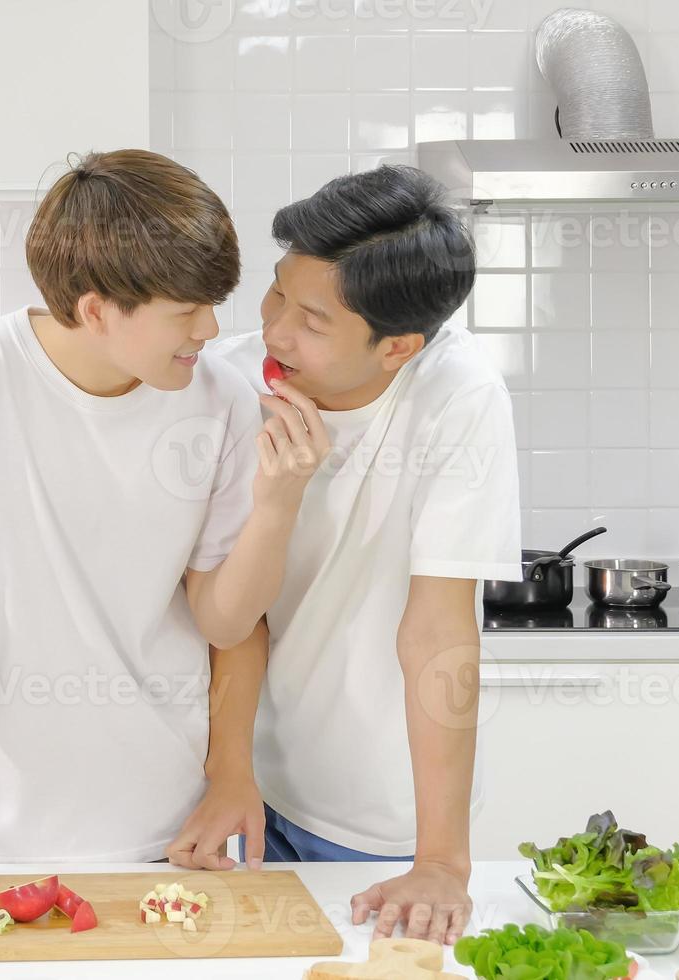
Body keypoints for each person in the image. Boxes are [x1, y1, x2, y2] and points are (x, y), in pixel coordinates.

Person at [0, 149, 330, 909]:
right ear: (95, 309)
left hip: (174, 835)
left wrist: (232, 773)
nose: (212, 329)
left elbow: (228, 623)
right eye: (186, 312)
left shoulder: (221, 403)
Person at [170, 164, 522, 945]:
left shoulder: (457, 398)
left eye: (313, 322)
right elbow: (231, 617)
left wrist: (442, 861)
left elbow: (438, 631)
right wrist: (230, 771)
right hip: (232, 792)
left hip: (380, 815)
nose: (274, 332)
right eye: (276, 296)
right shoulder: (225, 380)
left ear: (396, 347)